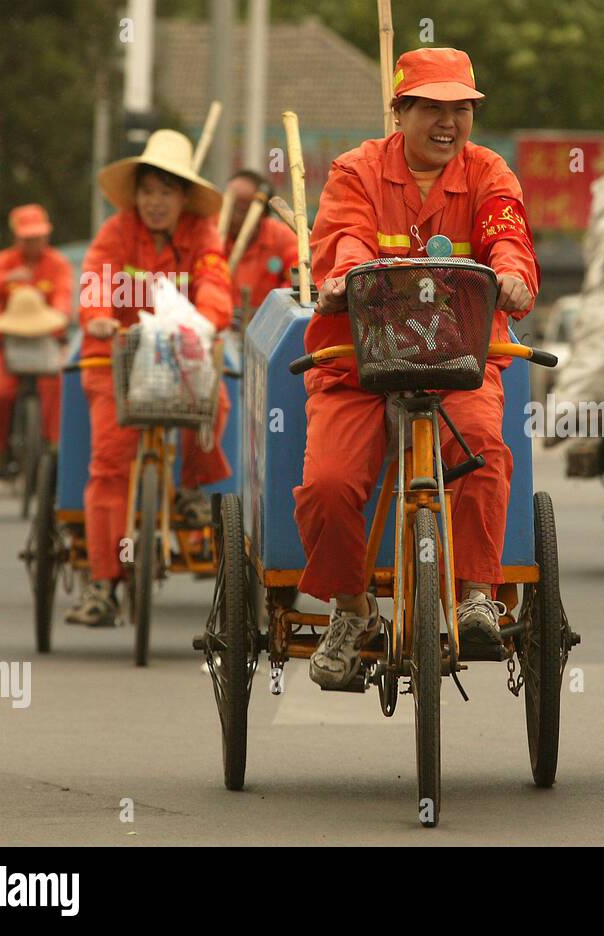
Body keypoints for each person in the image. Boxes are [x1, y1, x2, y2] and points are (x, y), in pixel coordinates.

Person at [295, 47, 539, 689]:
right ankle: (350, 613)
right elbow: (345, 239)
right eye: (432, 107)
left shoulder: (489, 172)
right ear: (400, 110)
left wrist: (512, 276)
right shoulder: (356, 171)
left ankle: (475, 595)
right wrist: (345, 278)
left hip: (458, 364)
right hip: (359, 365)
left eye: (461, 109)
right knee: (328, 485)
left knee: (483, 449)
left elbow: (507, 236)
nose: (448, 122)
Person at [66, 129, 233, 627]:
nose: (155, 202)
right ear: (135, 196)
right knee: (109, 467)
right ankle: (104, 583)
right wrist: (96, 314)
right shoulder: (116, 232)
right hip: (114, 359)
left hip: (178, 354)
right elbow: (95, 279)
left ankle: (190, 487)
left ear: (183, 197)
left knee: (215, 404)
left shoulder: (202, 233)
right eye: (148, 191)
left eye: (166, 192)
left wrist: (207, 320)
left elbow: (215, 283)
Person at [0, 205, 71, 477]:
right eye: (27, 237)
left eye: (38, 236)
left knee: (56, 383)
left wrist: (57, 318)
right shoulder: (4, 261)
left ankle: (52, 445)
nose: (33, 242)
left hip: (46, 340)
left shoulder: (57, 263)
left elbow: (64, 297)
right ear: (17, 237)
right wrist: (4, 280)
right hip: (6, 343)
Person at [224, 169, 299, 318]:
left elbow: (297, 286)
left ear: (262, 214)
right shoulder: (211, 234)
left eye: (240, 209)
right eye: (228, 205)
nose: (231, 215)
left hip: (268, 325)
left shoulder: (283, 238)